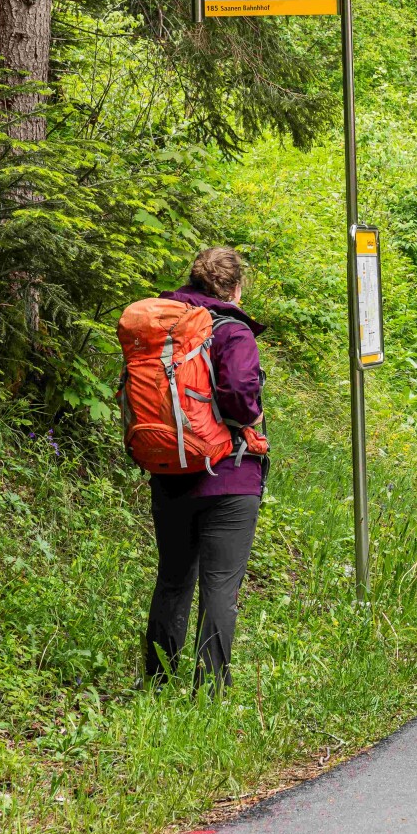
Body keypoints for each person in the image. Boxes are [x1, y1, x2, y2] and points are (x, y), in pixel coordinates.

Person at [145, 245, 266, 688]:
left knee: (173, 578)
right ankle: (210, 690)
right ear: (236, 287)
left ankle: (158, 681)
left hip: (171, 468)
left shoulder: (165, 324)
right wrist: (251, 417)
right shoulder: (234, 331)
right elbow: (238, 395)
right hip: (230, 476)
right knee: (220, 586)